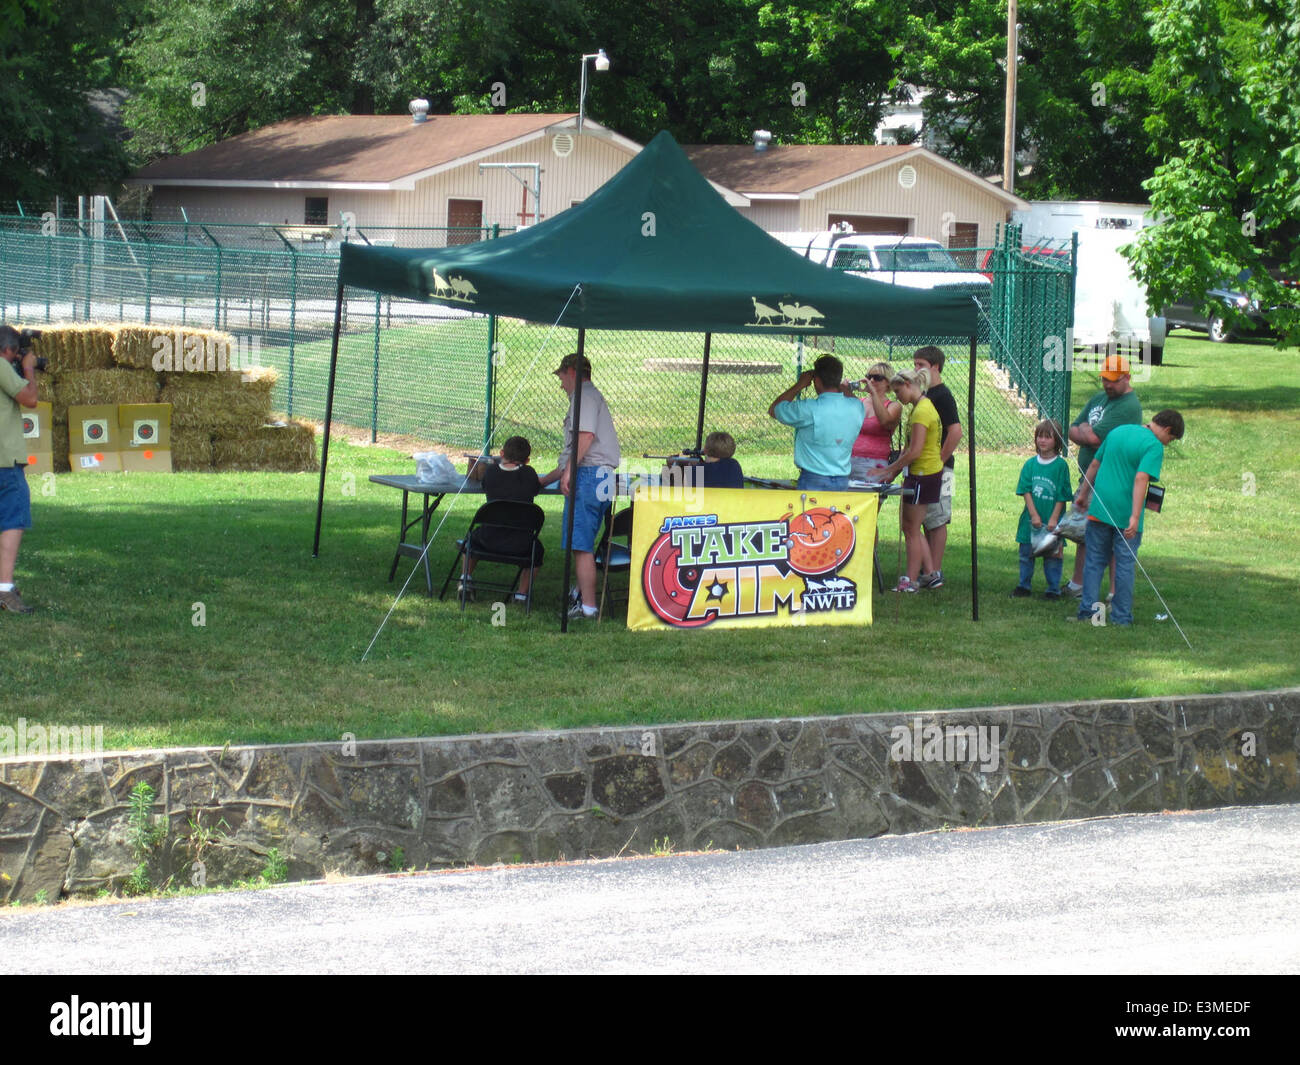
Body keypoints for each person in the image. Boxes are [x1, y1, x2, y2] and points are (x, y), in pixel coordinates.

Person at [1070, 409, 1185, 627]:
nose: (1168, 443)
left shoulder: (1118, 431)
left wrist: (1084, 494)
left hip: (1100, 507)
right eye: (1171, 439)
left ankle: (1089, 613)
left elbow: (1095, 464)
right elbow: (1141, 478)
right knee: (1124, 565)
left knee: (1094, 561)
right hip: (1126, 514)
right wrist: (1134, 516)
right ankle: (1121, 617)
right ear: (1168, 430)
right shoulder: (1153, 446)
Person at [538, 352, 621, 620]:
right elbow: (576, 449)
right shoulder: (589, 396)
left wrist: (570, 472)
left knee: (581, 544)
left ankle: (587, 608)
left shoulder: (584, 396)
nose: (560, 383)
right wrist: (544, 480)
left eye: (561, 377)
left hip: (589, 475)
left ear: (571, 372)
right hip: (600, 476)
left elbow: (585, 437)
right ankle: (582, 596)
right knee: (582, 542)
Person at [1066, 352, 1142, 597]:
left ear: (1127, 378)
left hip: (1109, 482)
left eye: (1113, 380)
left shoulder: (1129, 407)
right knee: (1084, 533)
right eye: (1104, 379)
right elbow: (1073, 430)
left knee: (1108, 536)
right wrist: (1086, 434)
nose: (1107, 385)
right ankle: (1078, 585)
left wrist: (1087, 433)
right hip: (1088, 478)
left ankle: (1113, 592)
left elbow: (1095, 438)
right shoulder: (1099, 398)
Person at [865, 367, 942, 592]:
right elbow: (908, 448)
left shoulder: (922, 412)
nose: (897, 397)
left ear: (909, 386)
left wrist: (886, 469)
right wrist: (892, 473)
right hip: (917, 474)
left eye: (898, 392)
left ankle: (910, 580)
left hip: (923, 475)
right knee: (910, 527)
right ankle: (929, 574)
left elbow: (915, 451)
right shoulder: (918, 408)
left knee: (910, 528)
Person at [462, 436, 544, 603]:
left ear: (501, 453)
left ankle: (465, 579)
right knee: (538, 551)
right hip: (521, 543)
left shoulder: (491, 472)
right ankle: (521, 594)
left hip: (487, 539)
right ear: (527, 460)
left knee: (470, 540)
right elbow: (535, 488)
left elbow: (485, 485)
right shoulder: (529, 474)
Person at [768, 354, 865, 490]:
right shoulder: (857, 407)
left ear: (817, 381)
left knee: (813, 512)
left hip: (813, 479)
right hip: (842, 479)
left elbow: (774, 409)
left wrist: (799, 384)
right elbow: (851, 399)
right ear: (838, 378)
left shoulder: (809, 408)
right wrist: (841, 387)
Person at [911, 346, 961, 589]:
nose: (916, 369)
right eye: (914, 364)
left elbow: (956, 431)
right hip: (926, 468)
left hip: (942, 469)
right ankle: (926, 568)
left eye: (920, 364)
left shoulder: (942, 395)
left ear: (935, 367)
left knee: (938, 519)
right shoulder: (925, 394)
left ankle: (935, 571)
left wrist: (940, 461)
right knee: (924, 518)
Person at [0, 324, 39, 614]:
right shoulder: (2, 366)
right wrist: (28, 370)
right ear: (9, 350)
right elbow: (30, 399)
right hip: (5, 461)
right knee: (13, 519)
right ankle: (4, 589)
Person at [1012, 419, 1073, 599]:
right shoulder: (1030, 464)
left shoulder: (1061, 466)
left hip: (1052, 520)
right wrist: (1033, 515)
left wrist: (1054, 518)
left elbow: (1063, 494)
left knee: (1053, 556)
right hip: (1031, 521)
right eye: (1040, 436)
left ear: (1058, 441)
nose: (1042, 441)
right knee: (1026, 555)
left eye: (1048, 437)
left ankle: (1053, 589)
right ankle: (1024, 585)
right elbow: (1025, 490)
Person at [846, 361, 903, 481]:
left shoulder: (893, 406)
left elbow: (886, 422)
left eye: (877, 378)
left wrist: (873, 394)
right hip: (849, 460)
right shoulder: (860, 402)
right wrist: (845, 390)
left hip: (874, 463)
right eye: (868, 377)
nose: (871, 381)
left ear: (888, 382)